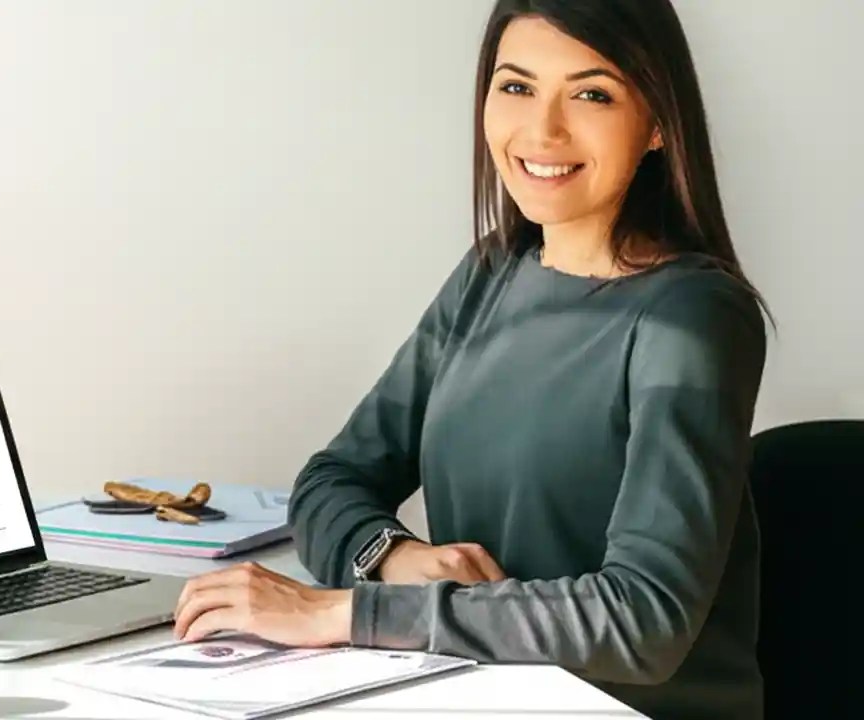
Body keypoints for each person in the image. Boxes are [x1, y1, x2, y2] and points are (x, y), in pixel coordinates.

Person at [172, 1, 770, 718]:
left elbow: (644, 619)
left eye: (592, 94)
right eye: (516, 87)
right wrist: (390, 559)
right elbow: (333, 481)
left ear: (658, 124)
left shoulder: (692, 317)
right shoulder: (492, 273)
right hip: (473, 694)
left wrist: (349, 613)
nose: (543, 130)